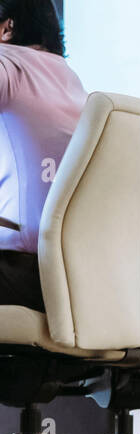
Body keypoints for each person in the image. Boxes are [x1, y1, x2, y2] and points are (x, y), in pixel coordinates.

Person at [0, 0, 85, 309]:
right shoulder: (70, 78)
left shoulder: (8, 63)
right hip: (76, 278)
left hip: (20, 272)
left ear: (7, 28)